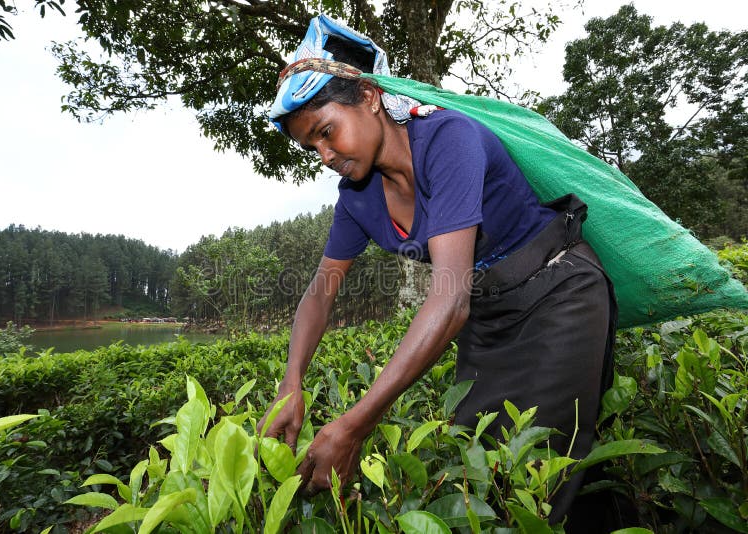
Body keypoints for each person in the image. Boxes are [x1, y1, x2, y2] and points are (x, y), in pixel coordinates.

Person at [259, 14, 616, 527]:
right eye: (310, 147)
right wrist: (291, 383)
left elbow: (449, 298)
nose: (324, 155)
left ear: (368, 97)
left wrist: (356, 425)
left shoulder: (448, 139)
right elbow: (319, 294)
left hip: (559, 296)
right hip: (489, 318)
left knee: (537, 478)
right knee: (477, 471)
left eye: (326, 131)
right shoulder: (357, 200)